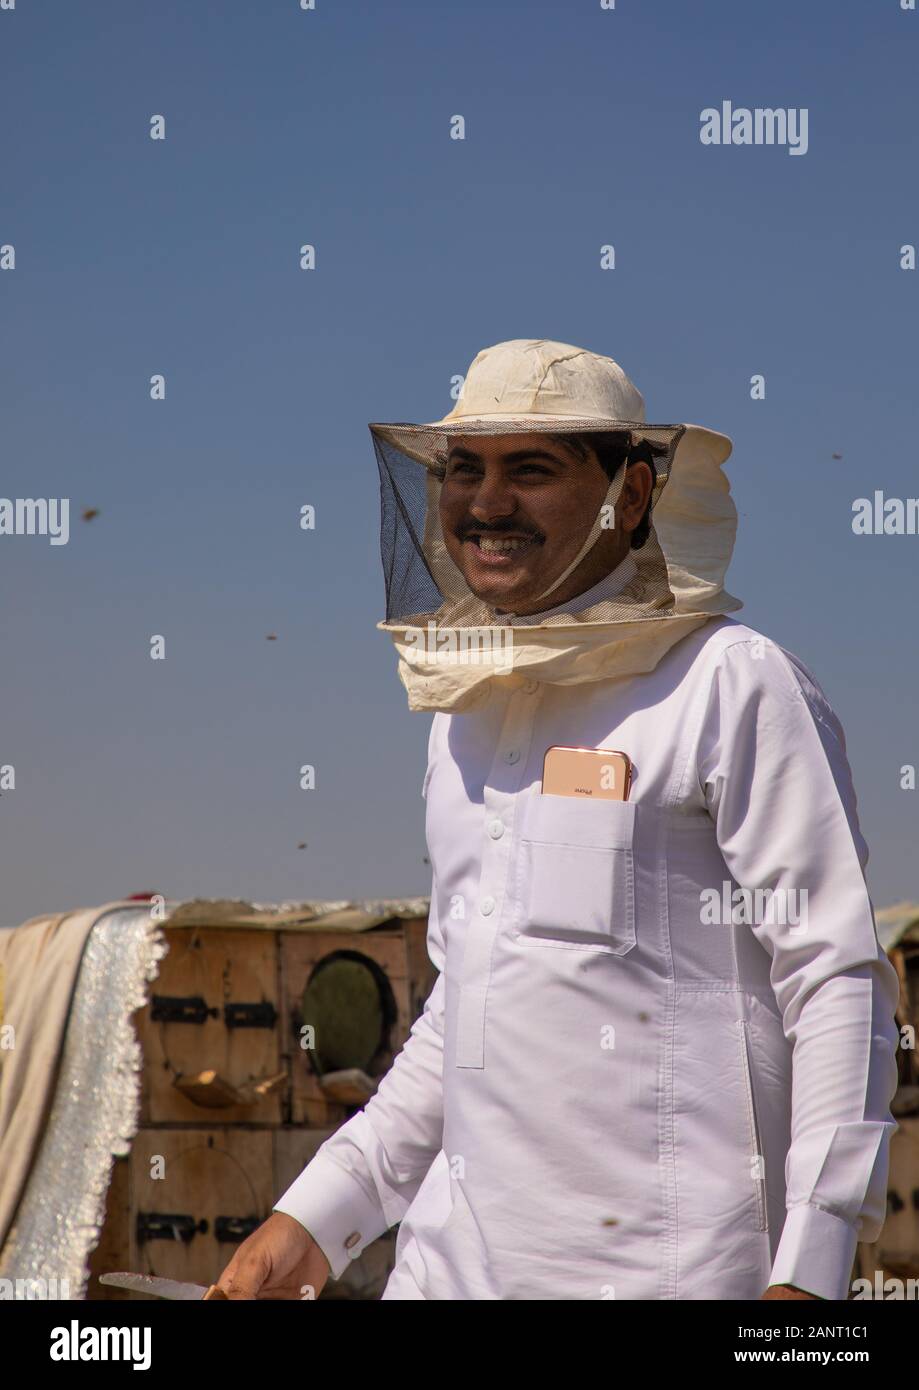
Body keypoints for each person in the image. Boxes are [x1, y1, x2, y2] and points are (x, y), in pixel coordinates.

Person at [217, 338, 900, 1301]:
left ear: (629, 493)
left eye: (529, 470)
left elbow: (834, 980)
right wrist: (315, 1219)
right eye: (464, 470)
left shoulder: (730, 685)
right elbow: (465, 1015)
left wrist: (813, 1272)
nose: (486, 505)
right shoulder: (463, 712)